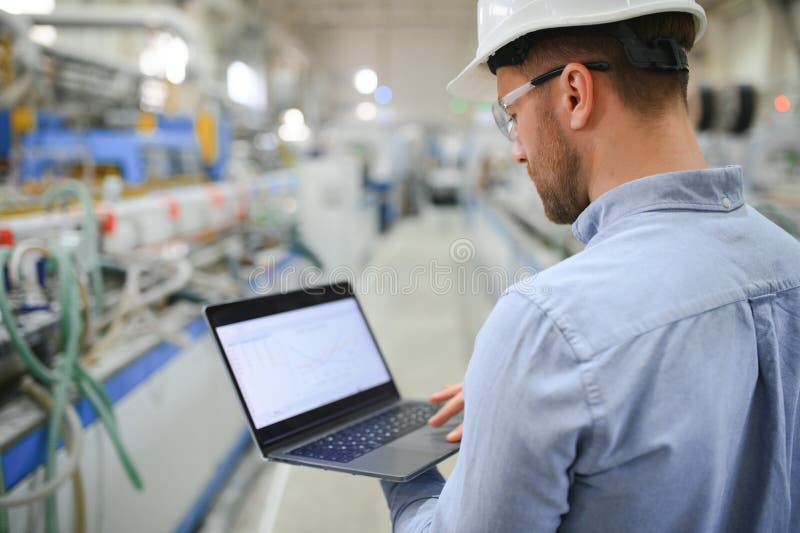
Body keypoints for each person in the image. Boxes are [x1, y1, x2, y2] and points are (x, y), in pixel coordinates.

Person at [380, 1, 800, 532]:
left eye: (512, 116)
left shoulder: (548, 326)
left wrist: (400, 465)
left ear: (575, 94)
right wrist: (524, 392)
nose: (516, 151)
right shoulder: (788, 261)